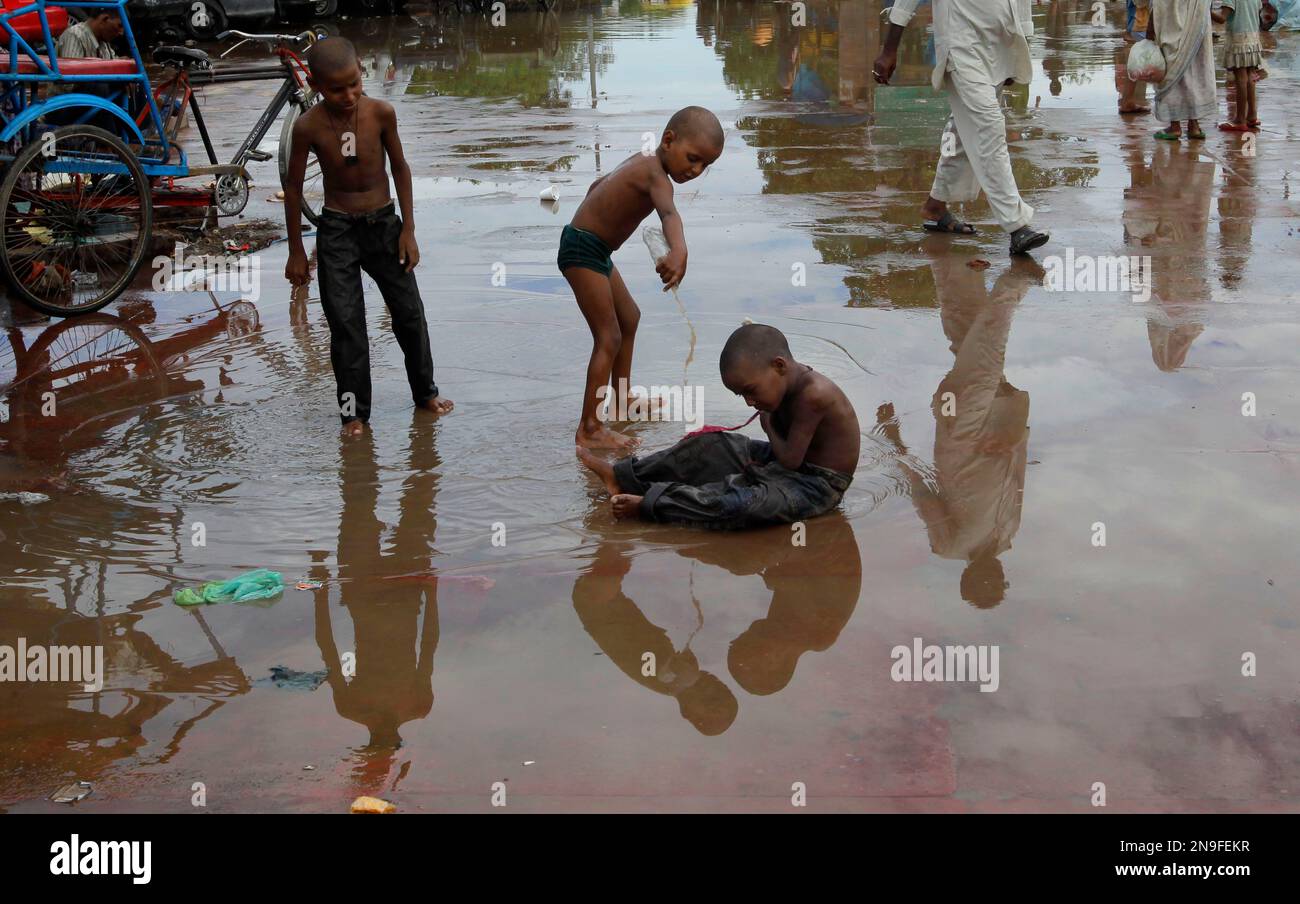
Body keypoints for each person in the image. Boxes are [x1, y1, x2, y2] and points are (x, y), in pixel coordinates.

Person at [283, 37, 453, 436]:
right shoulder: (307, 126)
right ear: (315, 84)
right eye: (336, 89)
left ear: (362, 69)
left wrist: (408, 229)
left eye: (354, 83)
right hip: (337, 231)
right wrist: (295, 251)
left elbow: (401, 168)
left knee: (409, 315)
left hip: (384, 227)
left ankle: (425, 393)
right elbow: (292, 187)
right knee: (346, 328)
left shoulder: (381, 113)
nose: (349, 95)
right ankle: (353, 415)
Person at [577, 323, 859, 529]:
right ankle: (623, 476)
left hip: (816, 484)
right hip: (783, 462)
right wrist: (768, 419)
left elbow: (790, 461)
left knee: (738, 503)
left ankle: (651, 504)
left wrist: (768, 424)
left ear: (779, 366)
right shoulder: (785, 384)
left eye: (751, 391)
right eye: (742, 395)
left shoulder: (814, 395)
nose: (750, 401)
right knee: (710, 445)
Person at [561, 106, 724, 450]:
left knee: (629, 318)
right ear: (669, 140)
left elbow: (598, 185)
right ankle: (589, 427)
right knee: (608, 337)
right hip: (582, 249)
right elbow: (668, 213)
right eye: (693, 159)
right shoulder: (655, 174)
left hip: (595, 249)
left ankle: (621, 400)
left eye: (705, 166)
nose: (696, 170)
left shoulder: (644, 159)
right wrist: (679, 250)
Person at [872, 0, 1050, 256]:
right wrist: (889, 48)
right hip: (960, 46)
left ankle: (935, 207)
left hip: (1000, 46)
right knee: (988, 126)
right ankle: (1017, 225)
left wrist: (1020, 47)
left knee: (965, 128)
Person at [1143, 0, 1216, 141]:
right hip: (1198, 26)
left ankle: (1175, 126)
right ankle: (1194, 124)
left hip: (1171, 27)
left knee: (1172, 71)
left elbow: (1158, 4)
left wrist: (1150, 27)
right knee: (1195, 72)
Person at [1214, 0, 1265, 131]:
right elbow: (1259, 10)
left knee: (1241, 78)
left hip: (1238, 40)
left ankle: (1240, 119)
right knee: (1250, 77)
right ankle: (1252, 115)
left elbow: (1222, 18)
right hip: (1253, 39)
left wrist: (1205, 12)